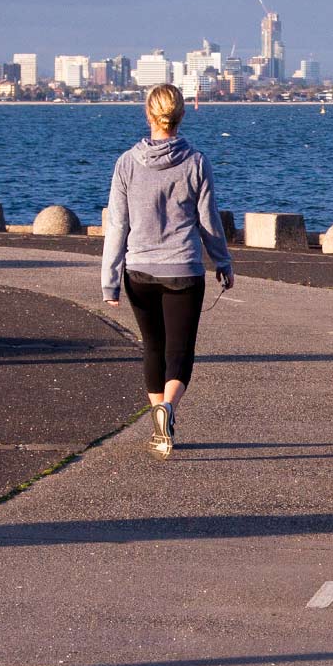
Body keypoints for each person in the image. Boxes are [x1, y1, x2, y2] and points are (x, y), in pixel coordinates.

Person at [101, 84, 234, 458]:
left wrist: (109, 282)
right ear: (180, 115)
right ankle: (168, 410)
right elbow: (208, 223)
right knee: (180, 350)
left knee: (153, 347)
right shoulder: (196, 162)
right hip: (184, 270)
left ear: (148, 114)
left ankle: (159, 423)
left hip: (139, 271)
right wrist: (222, 263)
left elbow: (117, 225)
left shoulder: (127, 162)